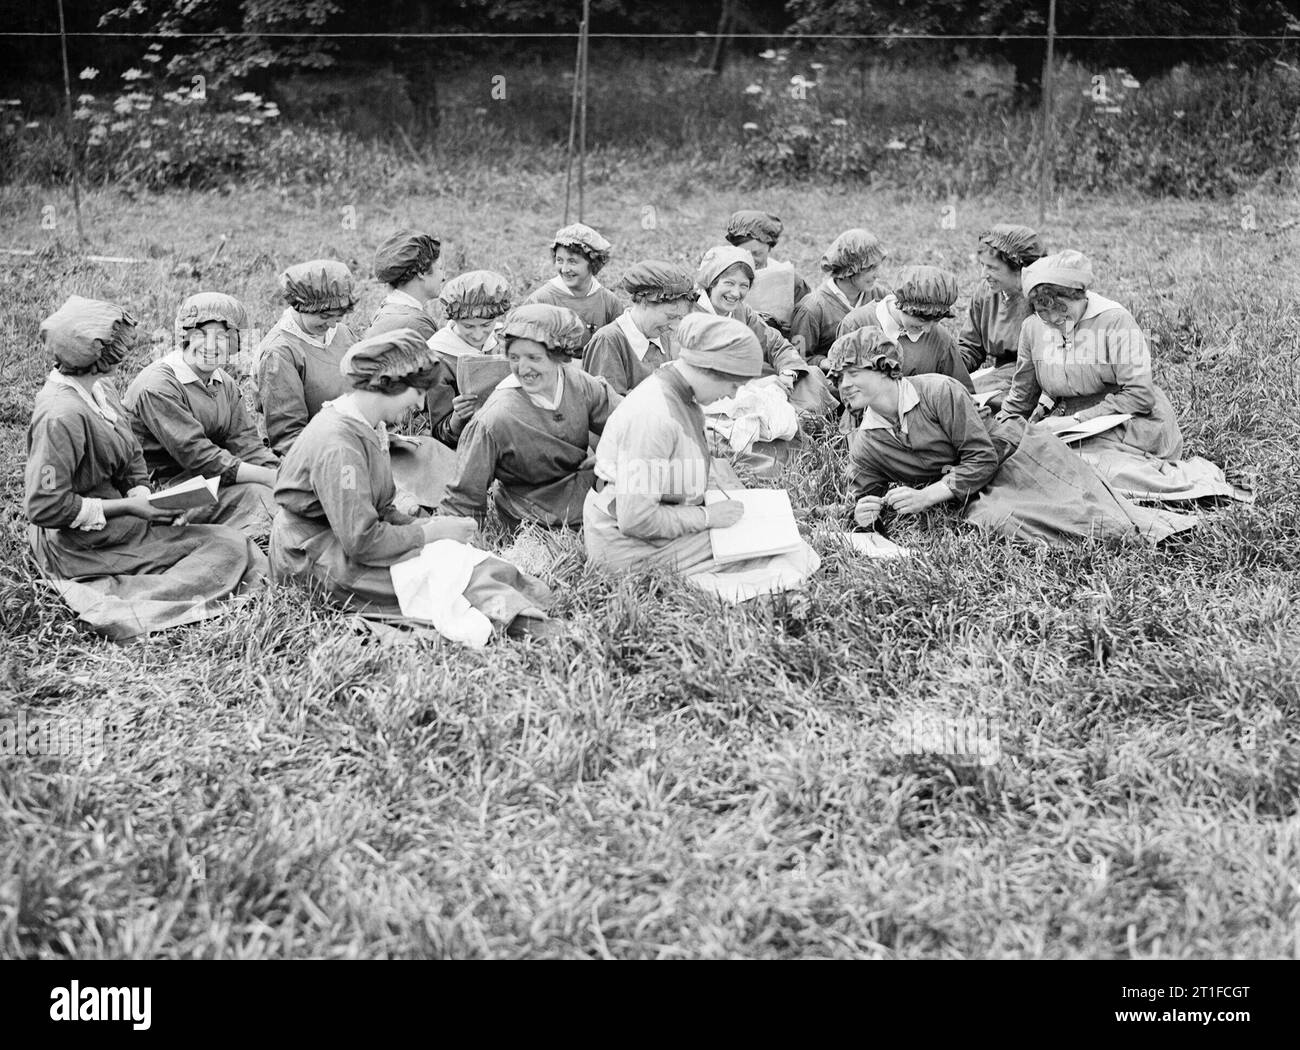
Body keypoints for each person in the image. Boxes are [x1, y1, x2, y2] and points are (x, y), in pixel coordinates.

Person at [270, 328, 555, 642]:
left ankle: (527, 608)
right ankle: (528, 625)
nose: (420, 404)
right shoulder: (339, 444)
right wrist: (431, 533)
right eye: (417, 391)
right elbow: (361, 541)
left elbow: (382, 511)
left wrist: (434, 526)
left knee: (456, 557)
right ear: (388, 385)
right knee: (442, 578)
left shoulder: (367, 425)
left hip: (340, 541)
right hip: (316, 558)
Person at [25, 296, 266, 641]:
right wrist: (131, 507)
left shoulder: (101, 389)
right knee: (227, 551)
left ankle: (166, 580)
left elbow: (132, 455)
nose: (124, 356)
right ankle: (131, 606)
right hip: (82, 543)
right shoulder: (61, 416)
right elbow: (44, 507)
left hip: (127, 520)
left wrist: (145, 497)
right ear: (95, 357)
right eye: (116, 350)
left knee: (231, 545)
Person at [828, 329, 1197, 545]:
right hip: (974, 489)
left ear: (885, 369)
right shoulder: (867, 441)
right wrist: (865, 511)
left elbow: (983, 456)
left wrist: (927, 495)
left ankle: (1150, 529)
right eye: (837, 378)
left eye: (851, 373)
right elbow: (866, 490)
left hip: (1015, 452)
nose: (842, 386)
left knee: (1086, 511)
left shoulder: (939, 392)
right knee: (993, 518)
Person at [583, 311, 819, 594]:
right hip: (625, 547)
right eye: (733, 385)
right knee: (786, 556)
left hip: (656, 518)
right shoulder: (654, 417)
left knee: (785, 543)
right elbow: (636, 519)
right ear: (709, 368)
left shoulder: (682, 393)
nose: (732, 396)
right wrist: (707, 518)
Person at [996, 250, 1246, 503]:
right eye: (1043, 311)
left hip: (1130, 422)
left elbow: (1139, 395)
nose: (1053, 318)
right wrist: (1000, 431)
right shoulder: (1032, 328)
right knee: (1031, 461)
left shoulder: (1114, 320)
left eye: (1062, 308)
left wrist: (1075, 420)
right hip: (1068, 424)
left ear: (1080, 296)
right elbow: (1023, 394)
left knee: (1085, 470)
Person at [440, 303, 622, 530]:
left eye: (534, 358)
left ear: (559, 356)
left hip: (578, 486)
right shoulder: (495, 418)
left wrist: (607, 456)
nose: (523, 368)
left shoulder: (578, 383)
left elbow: (627, 423)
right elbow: (463, 497)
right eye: (514, 358)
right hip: (533, 513)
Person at [124, 292, 280, 539]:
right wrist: (269, 478)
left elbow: (248, 445)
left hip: (208, 480)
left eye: (222, 337)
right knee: (261, 497)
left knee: (283, 494)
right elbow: (199, 456)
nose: (210, 346)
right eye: (200, 335)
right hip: (162, 492)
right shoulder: (158, 386)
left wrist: (283, 475)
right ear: (183, 336)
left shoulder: (224, 383)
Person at [254, 258, 359, 456]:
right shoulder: (280, 354)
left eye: (338, 317)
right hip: (316, 452)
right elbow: (288, 436)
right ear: (302, 306)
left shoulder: (342, 333)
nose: (331, 325)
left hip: (352, 436)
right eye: (324, 317)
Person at [837, 265, 974, 393]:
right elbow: (845, 388)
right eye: (921, 320)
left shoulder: (940, 338)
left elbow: (962, 391)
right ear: (901, 305)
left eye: (936, 321)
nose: (927, 330)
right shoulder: (856, 325)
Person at [957, 224, 1046, 408]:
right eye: (982, 265)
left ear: (1019, 269)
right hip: (999, 376)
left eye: (992, 268)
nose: (984, 275)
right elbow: (970, 348)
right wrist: (944, 366)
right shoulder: (985, 293)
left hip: (1037, 380)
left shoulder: (1043, 300)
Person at [425, 269, 512, 447]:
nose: (479, 335)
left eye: (487, 324)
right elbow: (439, 436)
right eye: (468, 326)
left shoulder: (502, 339)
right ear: (454, 318)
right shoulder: (438, 358)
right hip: (468, 445)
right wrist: (457, 418)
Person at [582, 260, 695, 395]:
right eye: (670, 317)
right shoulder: (609, 342)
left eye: (680, 318)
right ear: (643, 302)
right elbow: (608, 407)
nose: (675, 327)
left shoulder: (660, 335)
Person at [790, 228, 889, 368]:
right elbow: (796, 358)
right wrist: (824, 362)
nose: (877, 274)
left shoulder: (881, 296)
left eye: (878, 266)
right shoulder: (812, 308)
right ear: (850, 269)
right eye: (870, 268)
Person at [523, 223, 623, 344]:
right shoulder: (540, 301)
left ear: (592, 263)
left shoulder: (609, 303)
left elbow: (620, 349)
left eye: (572, 261)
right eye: (559, 260)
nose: (564, 269)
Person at [723, 210, 810, 337]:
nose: (750, 260)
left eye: (757, 253)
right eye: (743, 253)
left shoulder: (787, 279)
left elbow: (805, 319)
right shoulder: (720, 278)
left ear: (769, 247)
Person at [362, 229, 444, 341]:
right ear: (422, 272)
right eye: (440, 268)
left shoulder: (386, 312)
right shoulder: (417, 327)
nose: (443, 277)